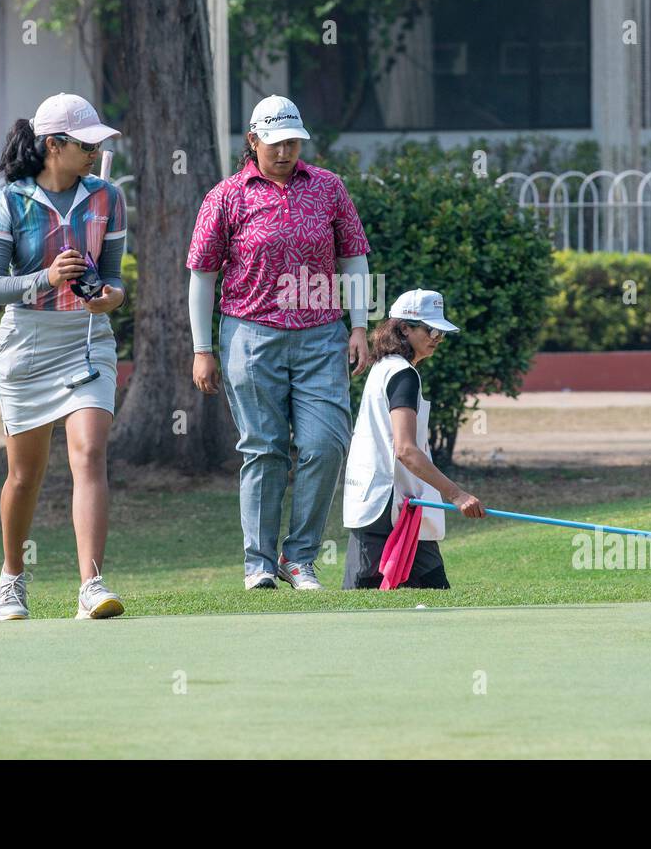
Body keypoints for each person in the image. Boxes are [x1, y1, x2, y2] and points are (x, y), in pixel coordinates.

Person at [187, 95, 372, 591]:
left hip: (321, 333)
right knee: (264, 449)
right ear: (253, 141)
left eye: (292, 142)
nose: (286, 152)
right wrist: (202, 347)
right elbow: (203, 275)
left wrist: (359, 325)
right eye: (275, 143)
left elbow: (353, 258)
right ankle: (259, 563)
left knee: (325, 443)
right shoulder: (225, 197)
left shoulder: (328, 188)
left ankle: (300, 557)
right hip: (250, 334)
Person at [0, 93, 128, 621]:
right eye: (85, 144)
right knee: (25, 476)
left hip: (88, 338)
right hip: (27, 345)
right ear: (53, 145)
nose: (94, 152)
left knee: (89, 453)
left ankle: (91, 585)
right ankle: (12, 578)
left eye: (97, 145)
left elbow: (112, 279)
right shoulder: (10, 202)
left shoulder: (108, 197)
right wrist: (46, 277)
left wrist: (110, 296)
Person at [342, 289, 485, 589]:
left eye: (441, 332)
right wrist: (457, 495)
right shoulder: (403, 375)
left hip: (390, 505)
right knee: (364, 609)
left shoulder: (384, 368)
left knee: (429, 593)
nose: (437, 337)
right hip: (386, 508)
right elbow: (406, 450)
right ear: (404, 328)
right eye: (430, 329)